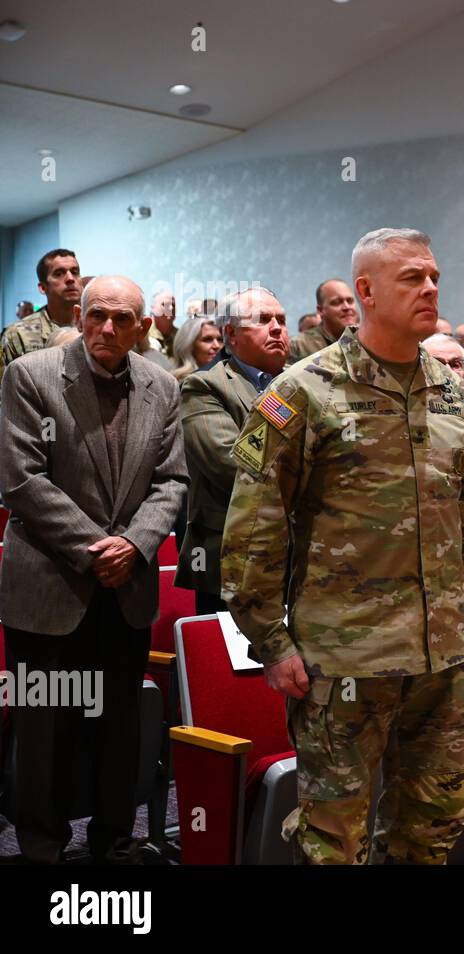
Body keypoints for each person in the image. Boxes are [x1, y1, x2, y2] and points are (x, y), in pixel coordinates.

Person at [221, 228, 464, 864]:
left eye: (433, 276)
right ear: (366, 291)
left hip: (445, 652)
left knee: (435, 821)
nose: (430, 288)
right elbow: (252, 528)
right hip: (345, 655)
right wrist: (269, 638)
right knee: (334, 834)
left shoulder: (456, 391)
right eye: (411, 278)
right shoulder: (301, 392)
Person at [0, 275, 186, 864]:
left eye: (123, 318)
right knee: (44, 731)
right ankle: (42, 850)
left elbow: (172, 480)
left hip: (125, 588)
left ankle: (114, 843)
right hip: (50, 584)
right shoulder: (31, 375)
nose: (109, 328)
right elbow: (21, 480)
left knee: (118, 730)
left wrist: (133, 545)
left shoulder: (160, 385)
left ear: (143, 326)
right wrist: (97, 548)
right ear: (80, 317)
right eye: (98, 315)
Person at [176, 288, 289, 614]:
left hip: (304, 561)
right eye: (263, 320)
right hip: (234, 559)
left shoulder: (306, 379)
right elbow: (234, 465)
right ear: (231, 334)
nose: (277, 328)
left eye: (281, 320)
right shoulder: (205, 385)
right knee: (232, 665)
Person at [1, 248, 81, 386]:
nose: (70, 279)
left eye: (75, 272)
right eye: (59, 273)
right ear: (43, 287)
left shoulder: (95, 327)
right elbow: (5, 391)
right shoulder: (18, 334)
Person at [288, 278, 357, 361]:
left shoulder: (366, 340)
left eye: (350, 301)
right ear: (320, 310)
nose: (347, 307)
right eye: (336, 302)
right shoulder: (299, 345)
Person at [170, 316, 224, 381]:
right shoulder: (176, 383)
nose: (216, 346)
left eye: (220, 339)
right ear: (189, 346)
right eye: (207, 339)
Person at [147, 292, 178, 364]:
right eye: (165, 304)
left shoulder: (182, 337)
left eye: (173, 305)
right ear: (153, 308)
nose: (170, 308)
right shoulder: (142, 334)